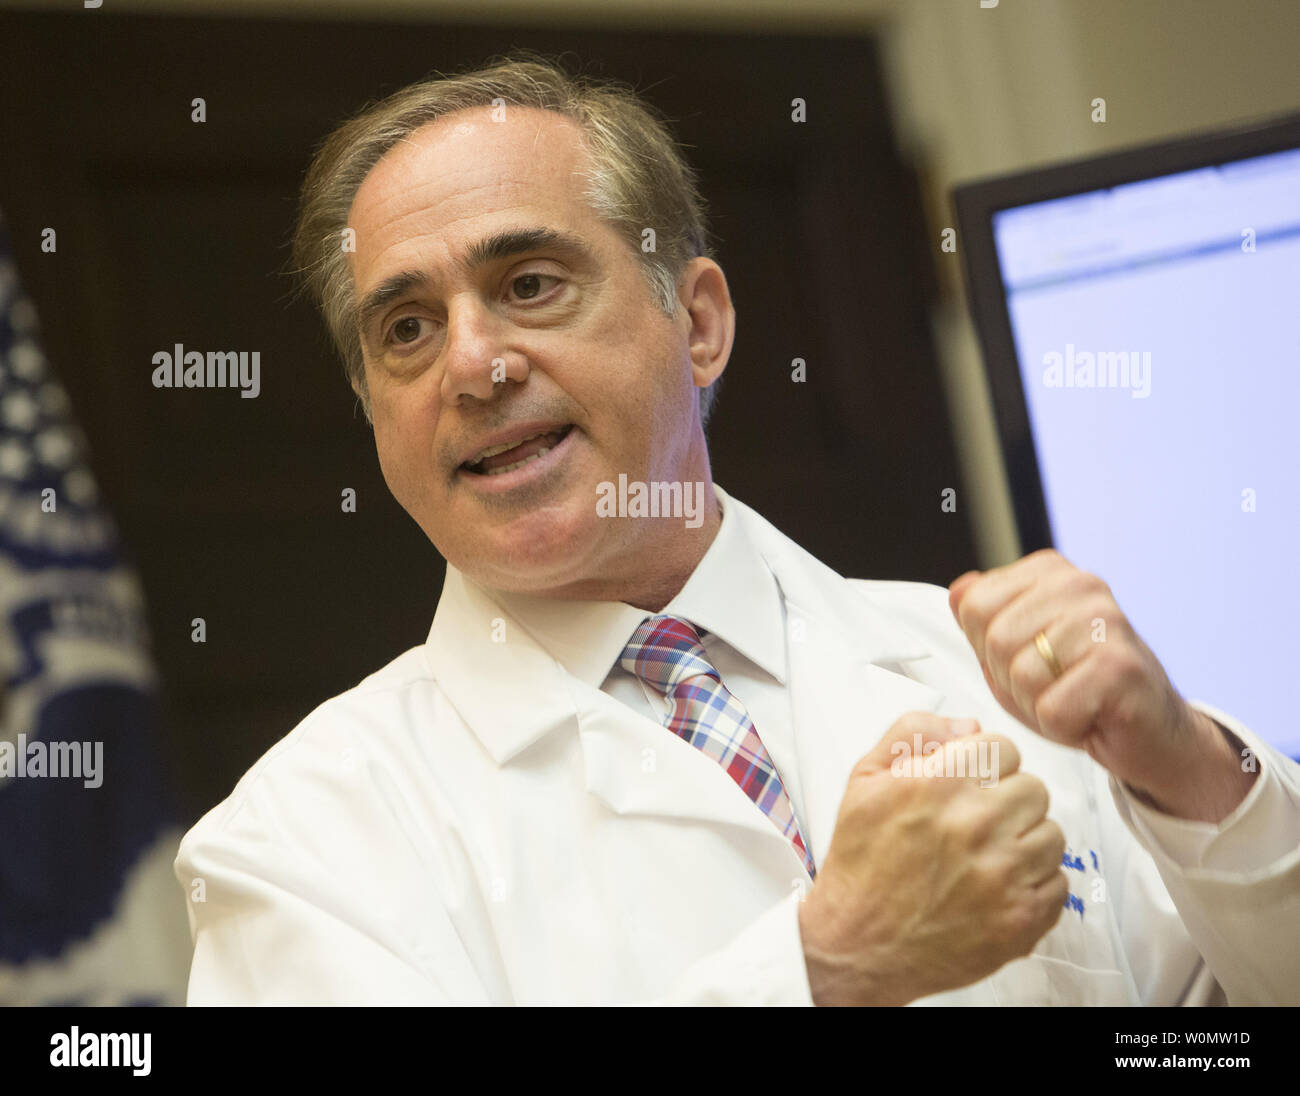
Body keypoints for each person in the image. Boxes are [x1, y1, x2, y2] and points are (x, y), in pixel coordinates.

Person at [174, 54, 1300, 1006]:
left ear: (698, 321)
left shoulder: (996, 673)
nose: (471, 364)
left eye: (529, 282)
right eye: (407, 327)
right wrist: (821, 965)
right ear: (375, 410)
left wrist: (1195, 780)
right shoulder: (298, 845)